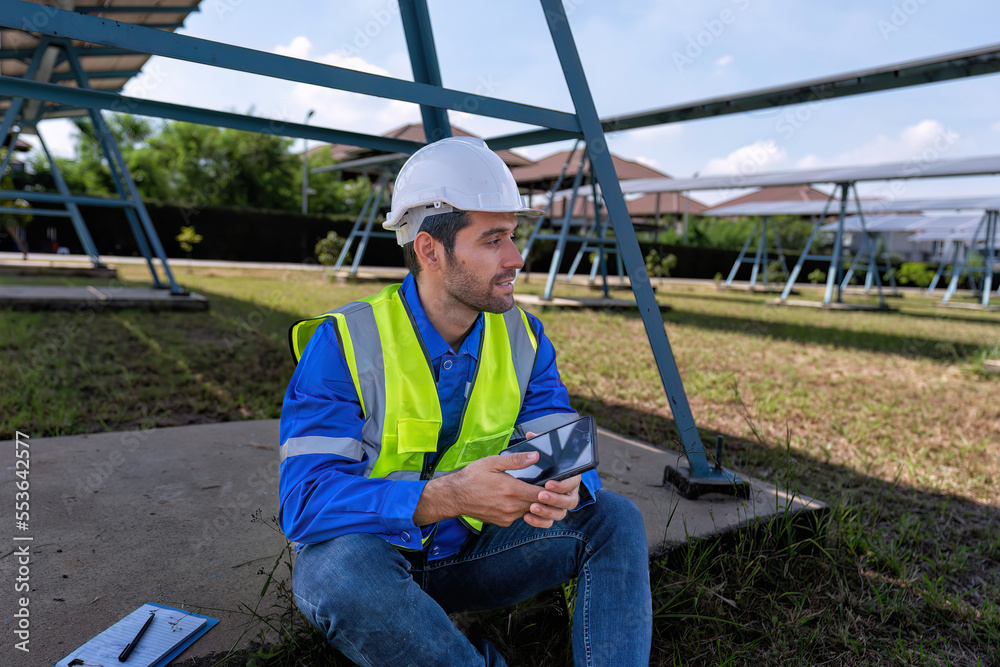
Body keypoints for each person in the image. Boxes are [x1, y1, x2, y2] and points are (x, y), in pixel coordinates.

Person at [279, 136, 652, 666]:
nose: (516, 258)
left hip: (475, 555)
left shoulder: (523, 336)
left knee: (612, 517)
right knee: (340, 575)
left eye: (513, 237)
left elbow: (563, 445)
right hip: (372, 554)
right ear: (430, 249)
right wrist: (446, 496)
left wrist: (568, 482)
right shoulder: (343, 343)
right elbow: (305, 502)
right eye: (494, 239)